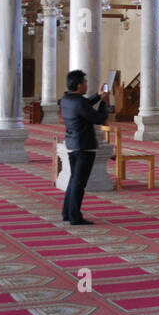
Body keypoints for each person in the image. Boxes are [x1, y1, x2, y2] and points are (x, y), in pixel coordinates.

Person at [60, 69, 110, 225]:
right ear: (80, 85)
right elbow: (99, 118)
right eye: (86, 82)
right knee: (79, 183)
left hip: (72, 144)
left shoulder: (66, 100)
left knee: (73, 180)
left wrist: (98, 96)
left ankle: (67, 213)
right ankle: (75, 217)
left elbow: (85, 105)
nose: (87, 85)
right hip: (83, 146)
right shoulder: (79, 103)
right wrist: (104, 102)